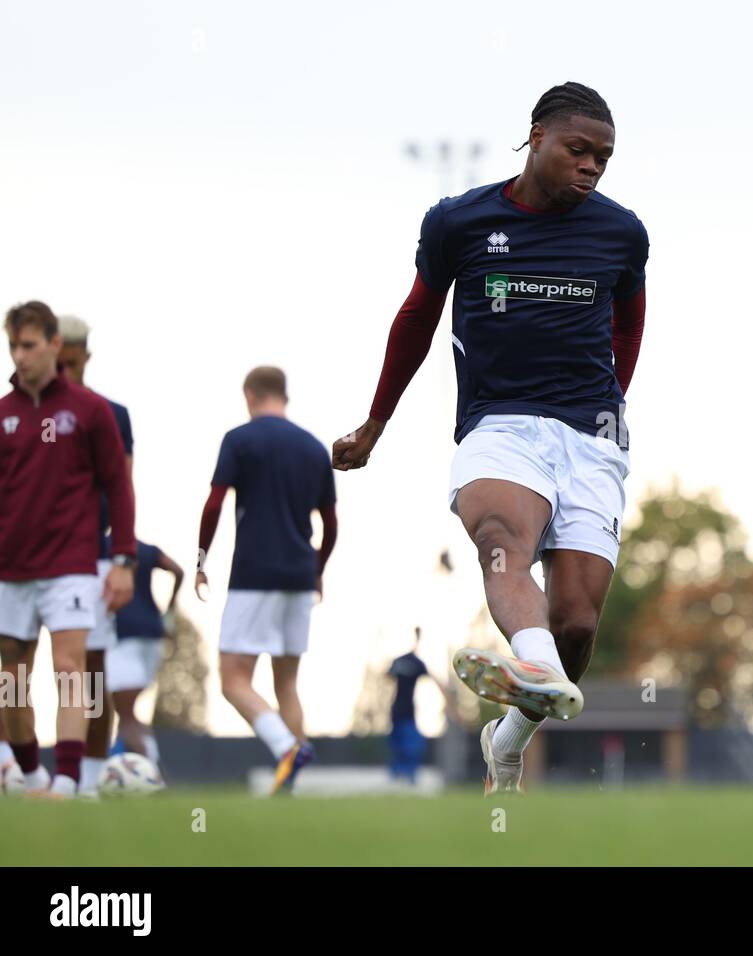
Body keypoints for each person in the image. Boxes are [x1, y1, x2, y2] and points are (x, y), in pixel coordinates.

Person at [333, 82, 649, 793]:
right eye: (578, 149)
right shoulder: (459, 222)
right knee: (502, 535)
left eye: (603, 156)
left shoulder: (621, 233)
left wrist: (610, 406)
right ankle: (531, 659)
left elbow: (629, 323)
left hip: (592, 439)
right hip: (499, 426)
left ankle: (507, 735)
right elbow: (415, 319)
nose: (592, 165)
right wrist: (375, 425)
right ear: (536, 137)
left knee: (574, 623)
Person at [0, 301, 135, 798]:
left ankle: (68, 780)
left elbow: (118, 486)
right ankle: (32, 775)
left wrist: (123, 558)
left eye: (29, 345)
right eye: (13, 345)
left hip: (73, 566)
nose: (20, 355)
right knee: (11, 680)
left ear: (55, 346)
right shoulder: (3, 415)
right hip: (10, 570)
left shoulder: (89, 410)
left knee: (70, 668)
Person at [197, 367, 337, 796]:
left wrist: (202, 557)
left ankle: (285, 749)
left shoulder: (239, 440)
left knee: (233, 679)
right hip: (298, 575)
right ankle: (293, 783)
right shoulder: (314, 448)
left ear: (250, 394)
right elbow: (331, 523)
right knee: (287, 683)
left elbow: (215, 502)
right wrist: (318, 569)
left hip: (253, 574)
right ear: (284, 395)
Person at [57, 313, 135, 796]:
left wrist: (123, 558)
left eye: (71, 358)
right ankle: (16, 766)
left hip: (92, 556)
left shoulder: (110, 413)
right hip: (27, 555)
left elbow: (121, 485)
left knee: (90, 668)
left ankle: (85, 778)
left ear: (84, 355)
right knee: (15, 663)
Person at [107, 540, 183, 767]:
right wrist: (169, 611)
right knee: (127, 713)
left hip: (123, 636)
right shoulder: (147, 550)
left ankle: (153, 772)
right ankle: (123, 768)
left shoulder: (104, 547)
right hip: (153, 633)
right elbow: (178, 571)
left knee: (126, 715)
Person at [387, 628, 429, 783]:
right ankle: (405, 776)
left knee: (401, 745)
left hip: (399, 709)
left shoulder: (400, 661)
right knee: (409, 745)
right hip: (403, 710)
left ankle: (400, 776)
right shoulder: (414, 663)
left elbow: (386, 677)